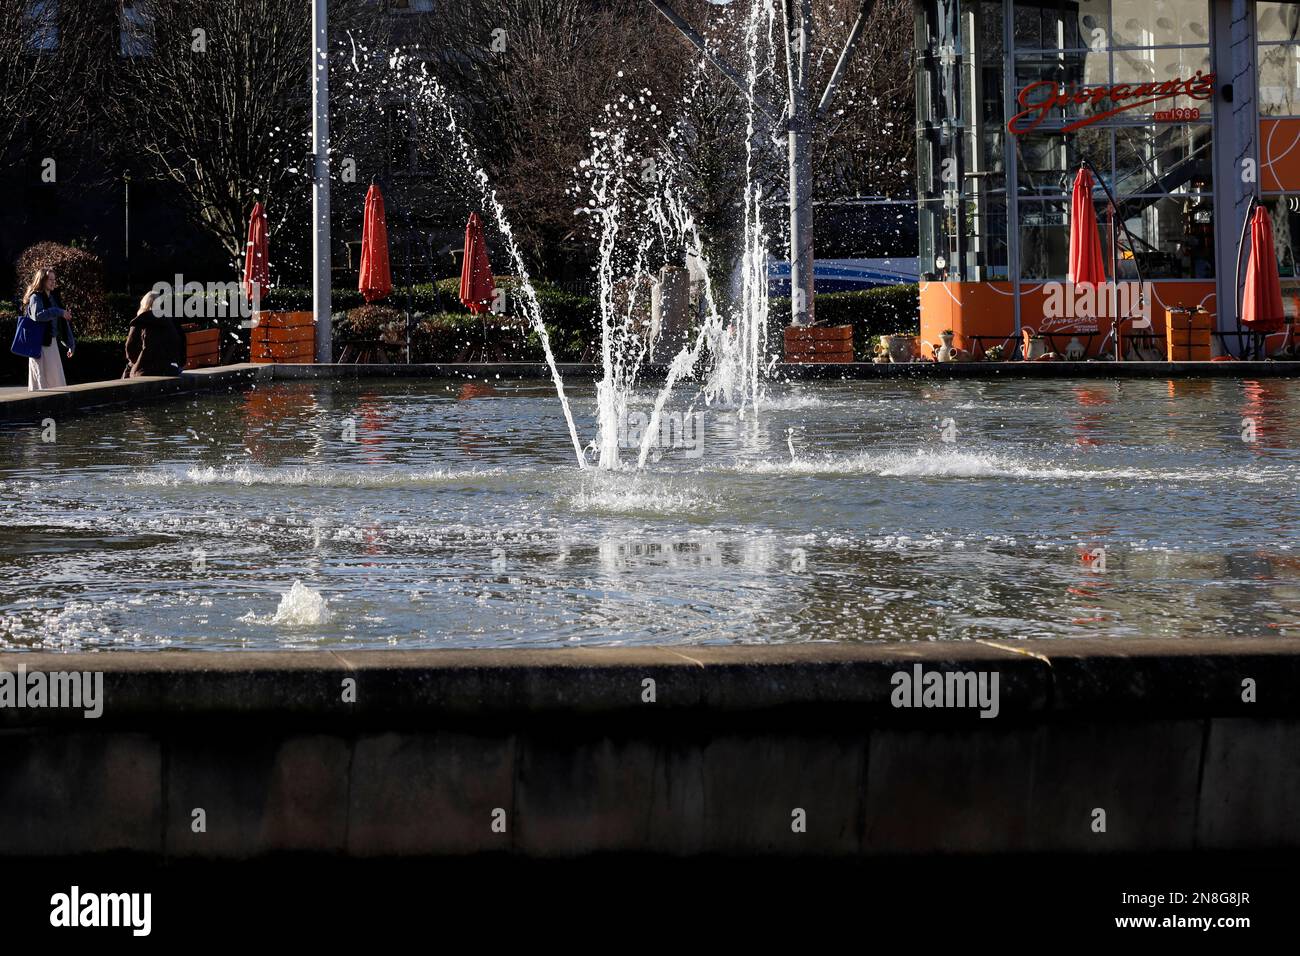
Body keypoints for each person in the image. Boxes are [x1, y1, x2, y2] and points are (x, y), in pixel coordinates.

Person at [22, 268, 74, 391]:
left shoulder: (52, 297)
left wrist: (70, 344)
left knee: (56, 380)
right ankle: (40, 408)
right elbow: (38, 316)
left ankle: (54, 408)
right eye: (50, 279)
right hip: (38, 344)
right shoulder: (35, 297)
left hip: (51, 343)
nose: (53, 282)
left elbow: (60, 323)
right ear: (42, 280)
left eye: (54, 279)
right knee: (41, 381)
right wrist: (58, 311)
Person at [123, 290, 186, 377]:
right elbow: (181, 344)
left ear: (144, 305)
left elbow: (130, 349)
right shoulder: (170, 322)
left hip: (144, 371)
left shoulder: (139, 322)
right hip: (170, 370)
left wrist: (138, 362)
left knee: (128, 370)